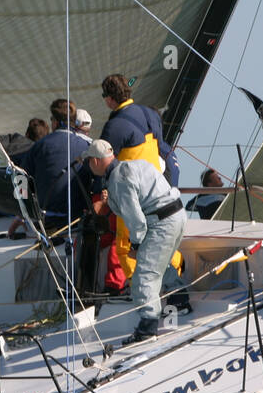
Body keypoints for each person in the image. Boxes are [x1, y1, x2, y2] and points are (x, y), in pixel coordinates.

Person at [82, 139, 190, 343]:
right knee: (160, 263)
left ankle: (148, 328)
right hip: (178, 215)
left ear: (96, 160)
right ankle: (180, 300)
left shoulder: (117, 179)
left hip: (161, 222)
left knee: (144, 276)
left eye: (88, 161)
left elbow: (135, 218)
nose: (88, 165)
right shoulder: (134, 164)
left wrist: (137, 245)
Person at [97, 74, 182, 283]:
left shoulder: (114, 125)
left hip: (132, 193)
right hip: (158, 190)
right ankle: (176, 273)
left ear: (109, 98)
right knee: (159, 239)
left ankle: (139, 287)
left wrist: (99, 192)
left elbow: (104, 161)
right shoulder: (150, 114)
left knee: (126, 245)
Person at [23, 98, 91, 227]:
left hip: (43, 221)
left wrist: (22, 214)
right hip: (76, 221)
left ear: (55, 122)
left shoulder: (39, 146)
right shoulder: (87, 146)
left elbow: (20, 177)